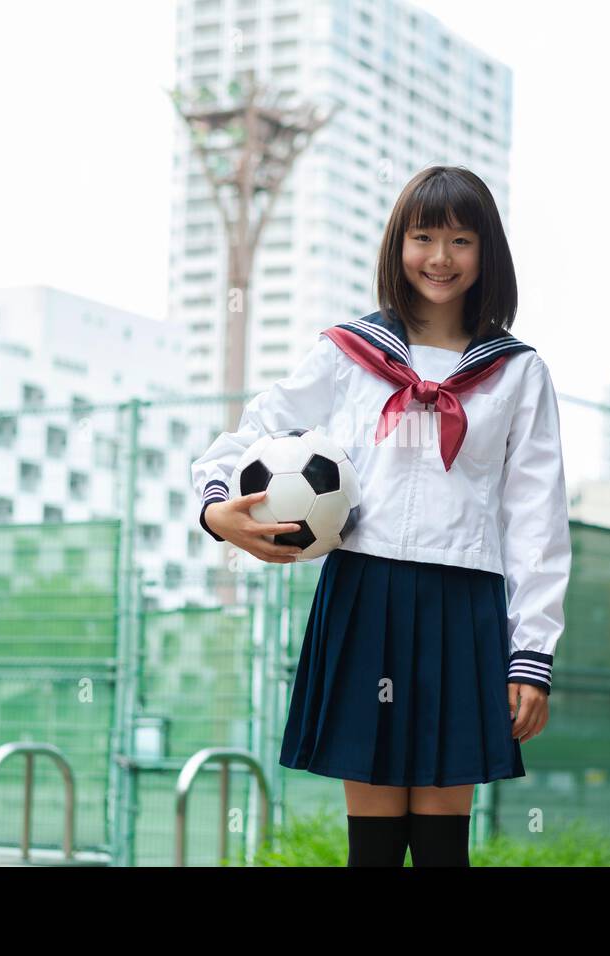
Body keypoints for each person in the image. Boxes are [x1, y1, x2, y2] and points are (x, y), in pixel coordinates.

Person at [190, 166, 571, 867]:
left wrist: (532, 653)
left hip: (466, 605)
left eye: (461, 240)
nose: (441, 258)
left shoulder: (520, 373)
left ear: (487, 254)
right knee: (370, 847)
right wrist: (219, 510)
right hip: (365, 598)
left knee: (440, 848)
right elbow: (253, 431)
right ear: (398, 244)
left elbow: (537, 521)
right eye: (424, 237)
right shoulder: (347, 354)